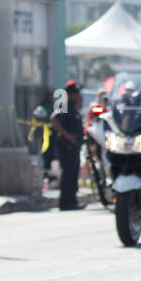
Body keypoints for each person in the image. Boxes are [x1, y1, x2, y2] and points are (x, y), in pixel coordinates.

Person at [50, 80, 85, 211]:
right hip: (67, 145)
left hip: (74, 145)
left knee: (73, 173)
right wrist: (68, 136)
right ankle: (66, 202)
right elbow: (54, 119)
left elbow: (80, 107)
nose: (78, 95)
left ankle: (72, 201)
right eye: (76, 93)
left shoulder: (73, 106)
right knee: (68, 174)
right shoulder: (64, 105)